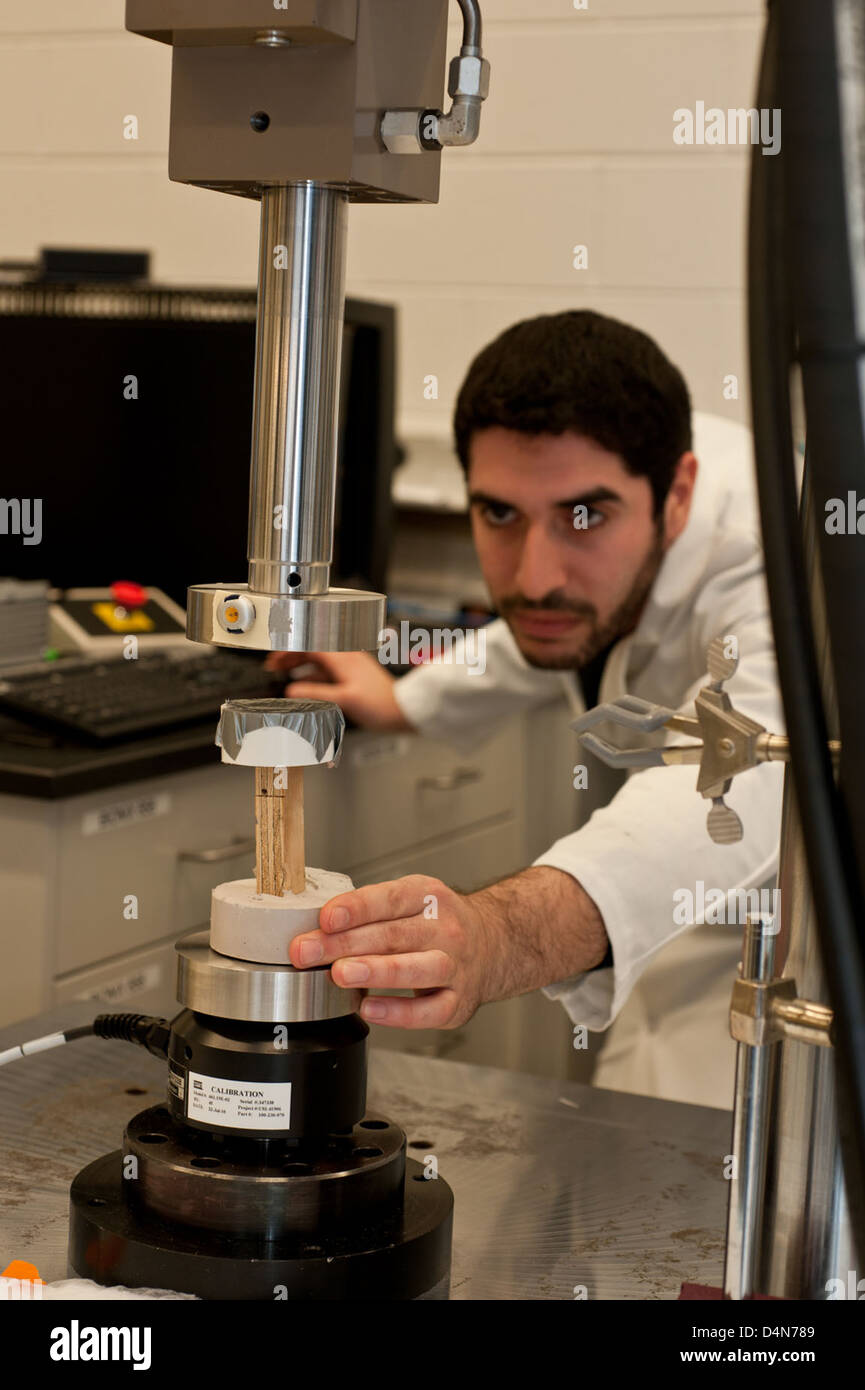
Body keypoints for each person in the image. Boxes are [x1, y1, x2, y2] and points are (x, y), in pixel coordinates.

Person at [268, 310, 785, 1108]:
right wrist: (405, 699)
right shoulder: (611, 528)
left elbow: (734, 778)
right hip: (670, 938)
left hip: (795, 947)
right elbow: (543, 629)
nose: (535, 572)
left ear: (675, 494)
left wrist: (499, 937)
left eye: (584, 517)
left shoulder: (781, 569)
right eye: (499, 515)